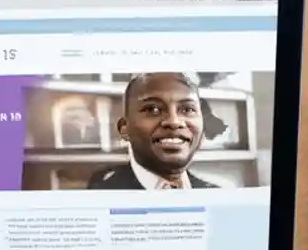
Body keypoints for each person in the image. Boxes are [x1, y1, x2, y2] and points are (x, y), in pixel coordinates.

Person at [88, 72, 218, 189]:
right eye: (153, 109)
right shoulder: (99, 197)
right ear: (124, 128)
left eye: (187, 109)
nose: (174, 122)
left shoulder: (215, 194)